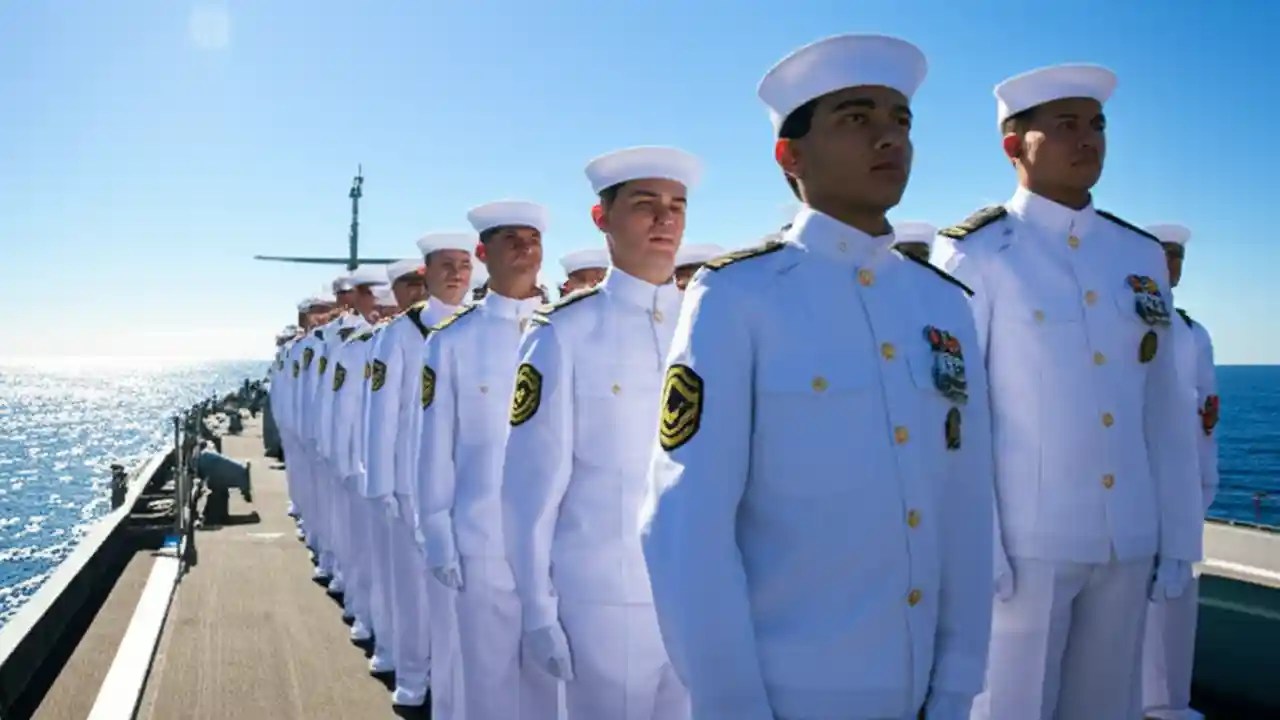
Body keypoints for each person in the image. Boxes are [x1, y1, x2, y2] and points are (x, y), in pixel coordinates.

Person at [640, 34, 992, 720]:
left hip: (922, 684)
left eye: (900, 119)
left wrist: (958, 679)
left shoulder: (942, 303)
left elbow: (967, 504)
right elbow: (685, 527)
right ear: (789, 155)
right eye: (857, 118)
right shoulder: (738, 296)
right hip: (787, 691)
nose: (889, 136)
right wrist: (732, 705)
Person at [930, 63, 1203, 720]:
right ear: (1013, 145)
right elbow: (954, 417)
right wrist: (977, 547)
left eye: (1097, 125)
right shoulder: (977, 252)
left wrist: (1178, 539)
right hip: (1026, 546)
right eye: (1066, 126)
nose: (1089, 140)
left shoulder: (1137, 256)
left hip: (1129, 538)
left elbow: (1165, 408)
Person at [502, 145, 699, 719]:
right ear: (602, 218)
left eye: (677, 205)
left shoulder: (709, 322)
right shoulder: (565, 334)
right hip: (606, 601)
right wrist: (538, 610)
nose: (665, 219)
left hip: (701, 599)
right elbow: (529, 493)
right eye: (645, 204)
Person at [419, 200, 558, 719]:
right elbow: (434, 444)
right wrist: (435, 530)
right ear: (483, 253)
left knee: (554, 691)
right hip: (482, 536)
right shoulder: (453, 341)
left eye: (533, 238)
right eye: (510, 239)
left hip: (560, 541)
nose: (525, 248)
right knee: (489, 683)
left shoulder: (567, 328)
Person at [366, 235, 473, 709]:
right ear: (425, 274)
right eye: (445, 266)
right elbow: (381, 414)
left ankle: (458, 691)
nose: (456, 274)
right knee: (414, 589)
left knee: (463, 601)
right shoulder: (398, 335)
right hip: (411, 481)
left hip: (467, 486)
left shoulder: (479, 327)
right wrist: (380, 484)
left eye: (464, 265)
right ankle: (412, 677)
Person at [1141, 223, 1219, 720]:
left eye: (1178, 257)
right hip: (1138, 486)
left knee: (1174, 604)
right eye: (1165, 255)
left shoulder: (1193, 332)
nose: (1173, 265)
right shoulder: (1129, 323)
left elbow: (1206, 419)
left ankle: (1169, 704)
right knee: (1127, 611)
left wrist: (1202, 491)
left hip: (1184, 494)